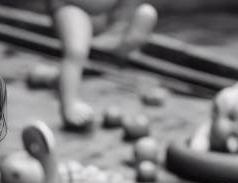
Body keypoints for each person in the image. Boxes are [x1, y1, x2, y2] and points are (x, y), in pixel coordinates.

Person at [48, 0, 157, 129]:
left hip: (109, 16)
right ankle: (69, 103)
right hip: (75, 9)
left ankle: (107, 53)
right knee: (76, 52)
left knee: (146, 13)